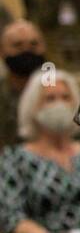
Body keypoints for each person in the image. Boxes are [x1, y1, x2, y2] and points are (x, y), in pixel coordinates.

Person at [0, 70, 80, 233]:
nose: (59, 104)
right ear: (32, 107)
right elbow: (9, 213)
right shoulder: (15, 159)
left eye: (66, 97)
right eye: (50, 99)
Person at [0, 19, 48, 149]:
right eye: (18, 45)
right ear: (2, 51)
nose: (26, 50)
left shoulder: (57, 91)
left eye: (34, 44)